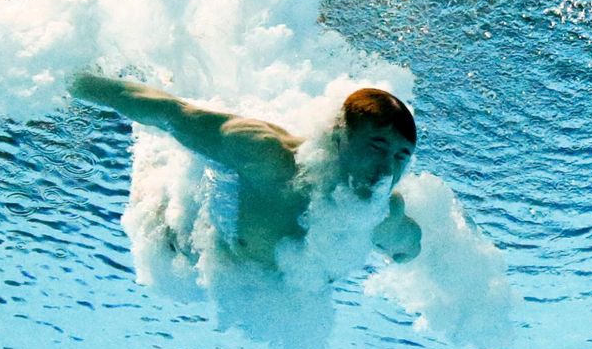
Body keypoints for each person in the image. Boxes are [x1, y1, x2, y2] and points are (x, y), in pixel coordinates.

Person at [68, 72, 422, 269]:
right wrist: (74, 80)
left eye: (401, 156)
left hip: (256, 295)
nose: (386, 168)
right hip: (183, 248)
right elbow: (170, 113)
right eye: (377, 147)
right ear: (338, 136)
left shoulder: (385, 216)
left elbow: (410, 247)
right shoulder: (265, 155)